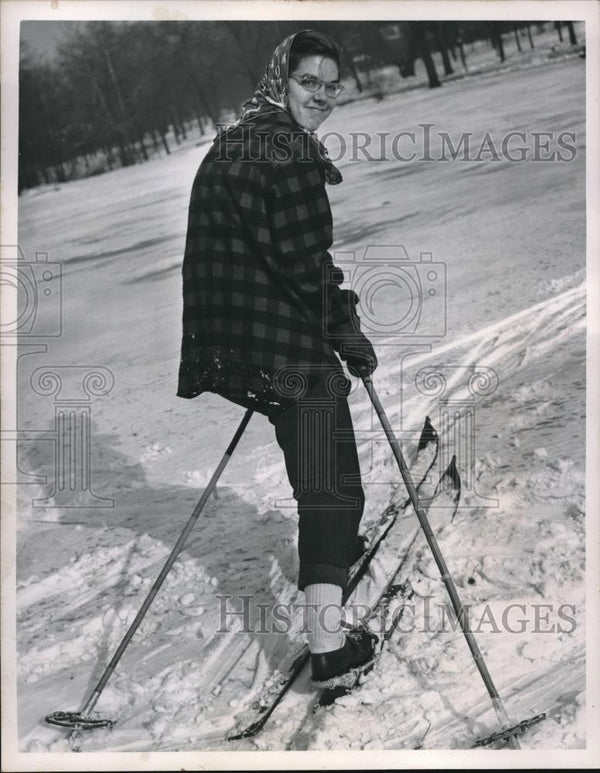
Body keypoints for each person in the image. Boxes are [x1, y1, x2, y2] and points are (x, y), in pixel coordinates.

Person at [177, 29, 378, 684]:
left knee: (311, 434)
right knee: (334, 481)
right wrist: (345, 330)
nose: (320, 95)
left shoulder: (239, 136)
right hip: (275, 339)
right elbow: (306, 264)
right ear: (282, 80)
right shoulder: (288, 152)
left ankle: (336, 546)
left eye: (329, 84)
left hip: (230, 340)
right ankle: (328, 643)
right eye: (307, 82)